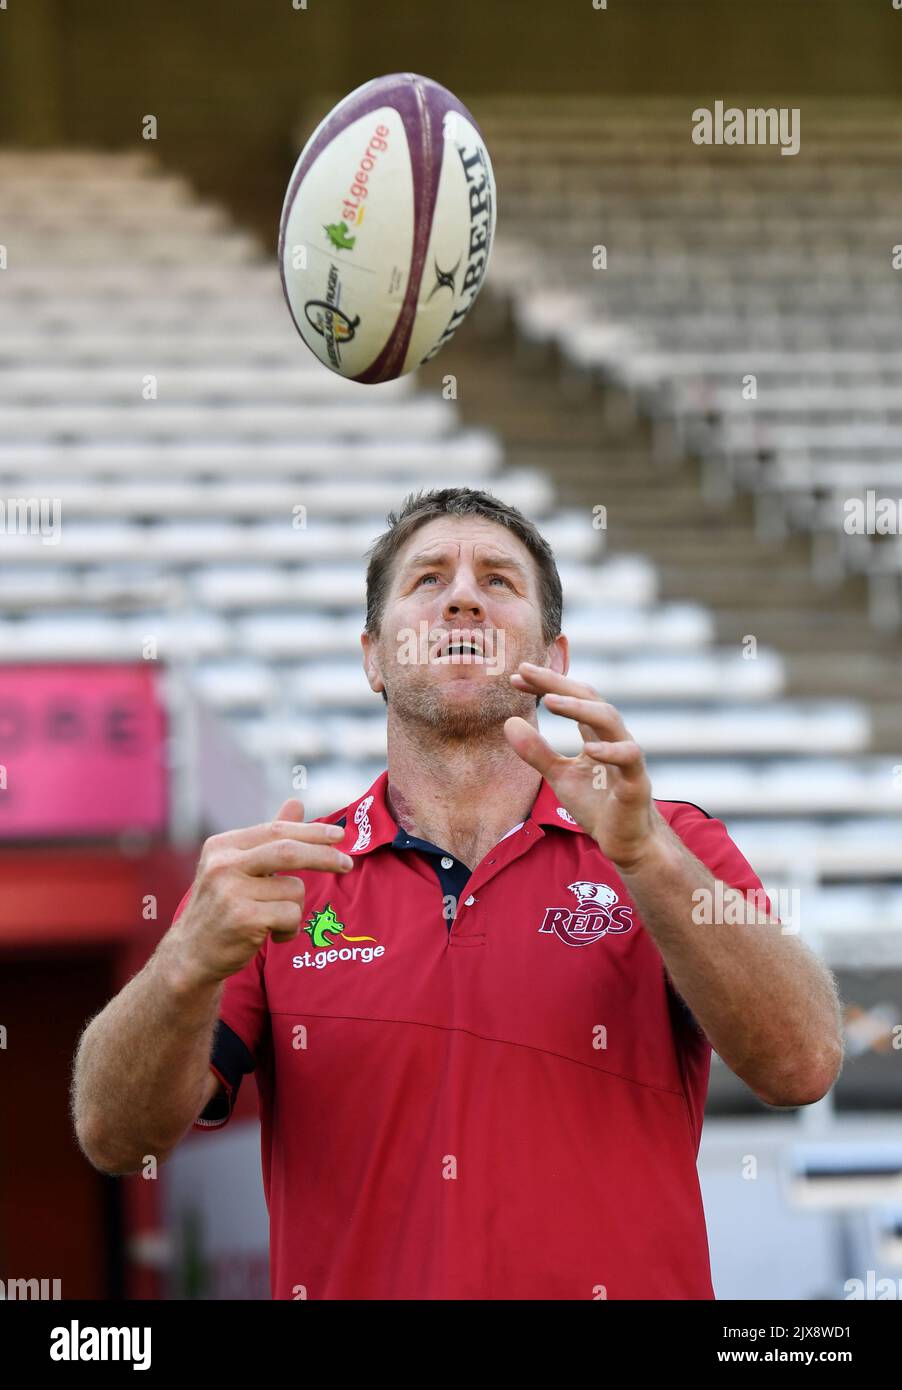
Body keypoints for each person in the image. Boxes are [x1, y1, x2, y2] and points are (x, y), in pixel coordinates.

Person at [72, 487, 843, 1299]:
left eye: (500, 581)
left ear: (557, 656)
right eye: (428, 578)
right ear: (374, 656)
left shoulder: (670, 843)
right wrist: (183, 967)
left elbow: (802, 1065)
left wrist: (648, 857)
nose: (464, 595)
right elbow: (114, 1135)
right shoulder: (284, 877)